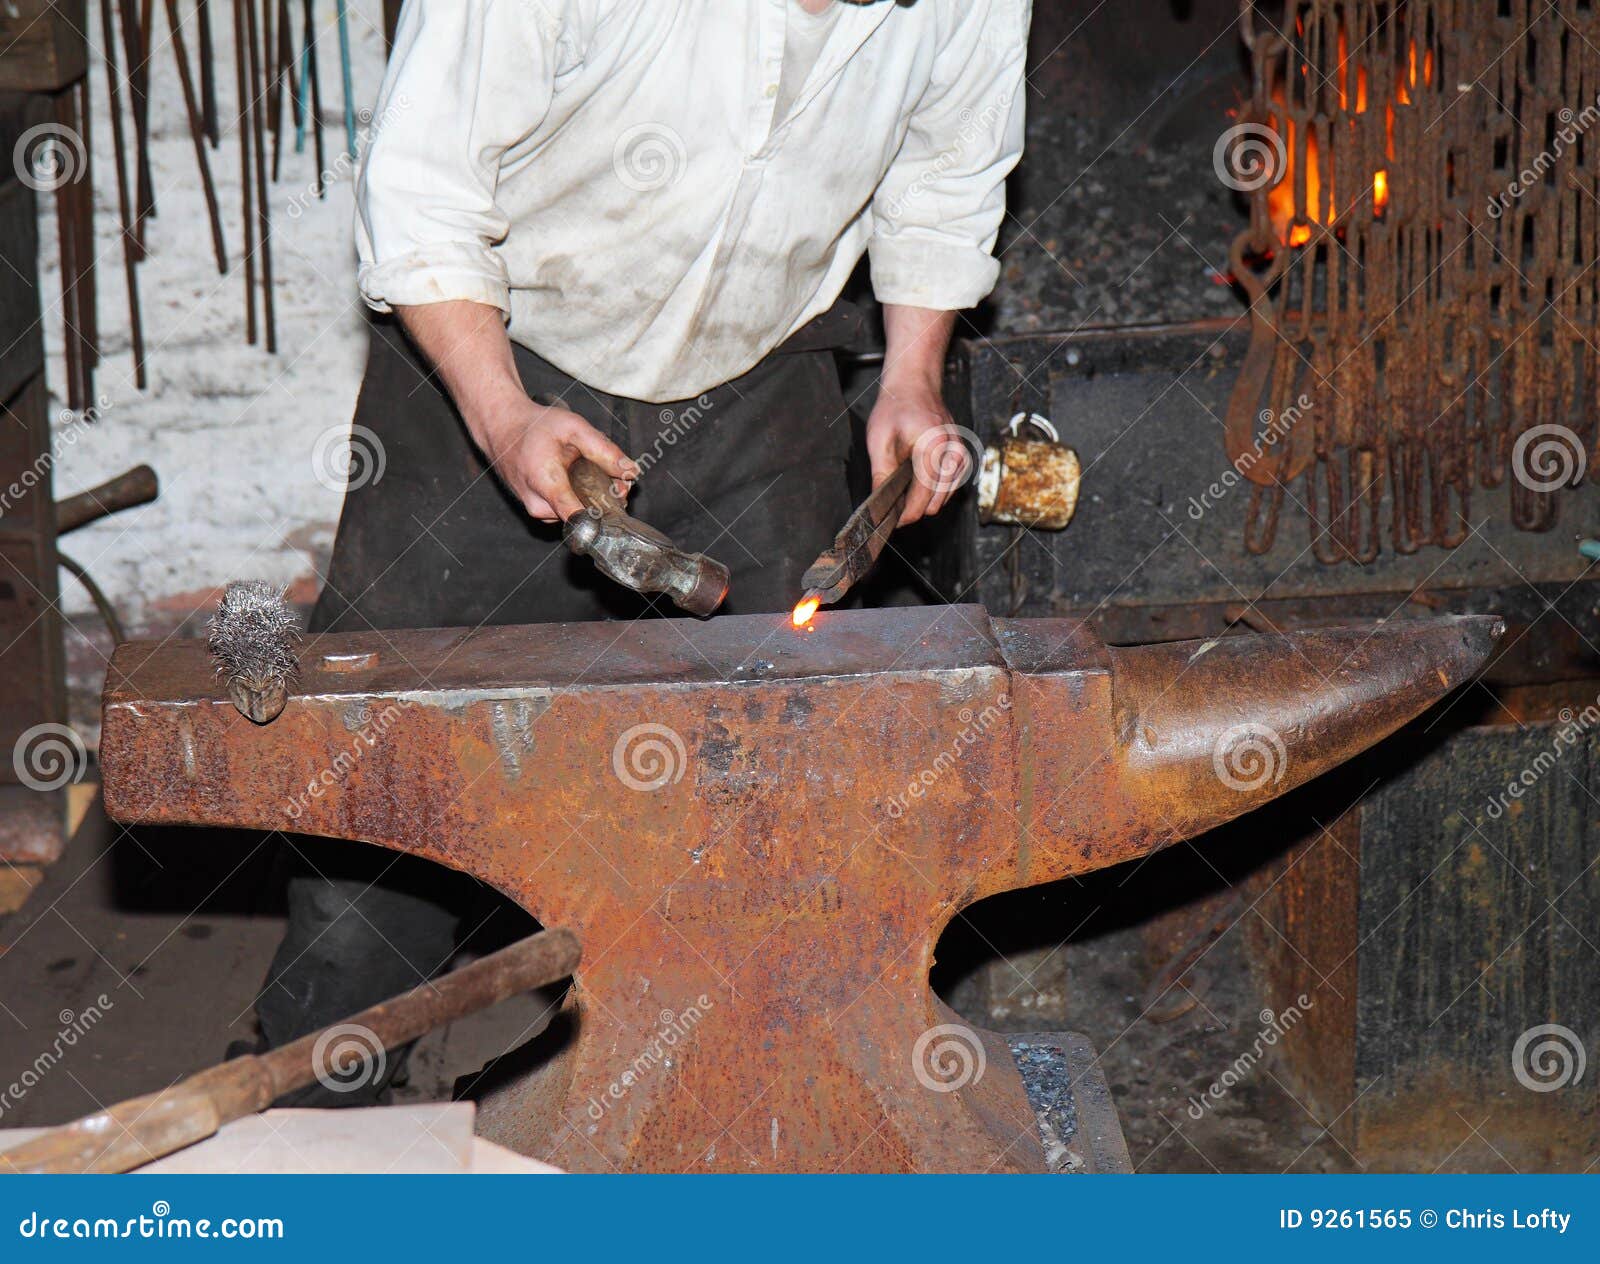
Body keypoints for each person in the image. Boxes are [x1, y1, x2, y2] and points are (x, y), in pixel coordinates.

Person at [255, 0, 1032, 1100]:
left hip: (763, 380)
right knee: (390, 788)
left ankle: (722, 1114)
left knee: (769, 802)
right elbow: (421, 185)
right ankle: (317, 1110)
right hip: (495, 360)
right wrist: (504, 415)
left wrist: (911, 374)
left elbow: (945, 170)